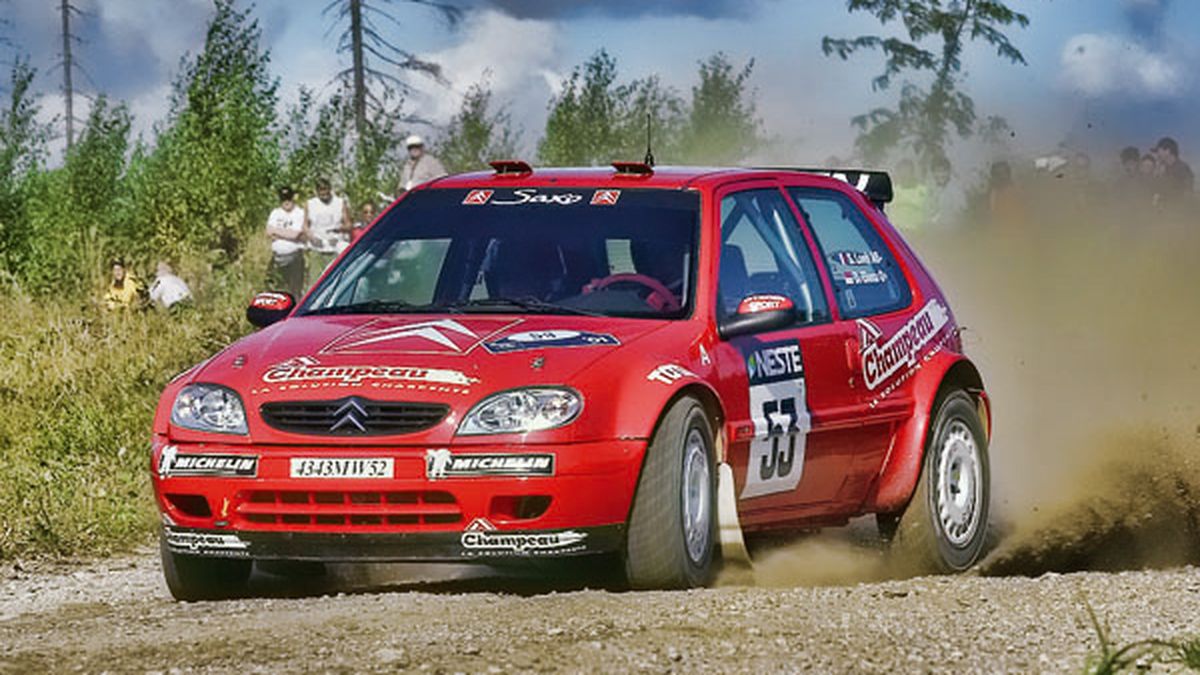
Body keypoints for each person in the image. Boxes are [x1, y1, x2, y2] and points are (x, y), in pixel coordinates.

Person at [305, 177, 352, 282]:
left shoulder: (339, 203)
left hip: (334, 247)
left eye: (325, 189)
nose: (324, 192)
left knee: (335, 280)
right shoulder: (310, 204)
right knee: (315, 281)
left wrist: (338, 229)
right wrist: (311, 237)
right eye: (321, 190)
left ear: (330, 189)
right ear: (317, 191)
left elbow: (349, 225)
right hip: (317, 248)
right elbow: (305, 226)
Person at [266, 186, 308, 299]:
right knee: (276, 290)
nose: (286, 202)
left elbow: (295, 234)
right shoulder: (275, 213)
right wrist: (287, 234)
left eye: (288, 198)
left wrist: (277, 232)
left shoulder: (300, 213)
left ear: (293, 198)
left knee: (295, 292)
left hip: (294, 258)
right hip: (277, 258)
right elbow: (269, 231)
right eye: (283, 199)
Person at [1152, 137, 1194, 208]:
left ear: (1167, 151)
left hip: (1177, 212)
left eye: (1159, 151)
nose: (1157, 155)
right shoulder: (1164, 168)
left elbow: (1187, 192)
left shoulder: (1182, 168)